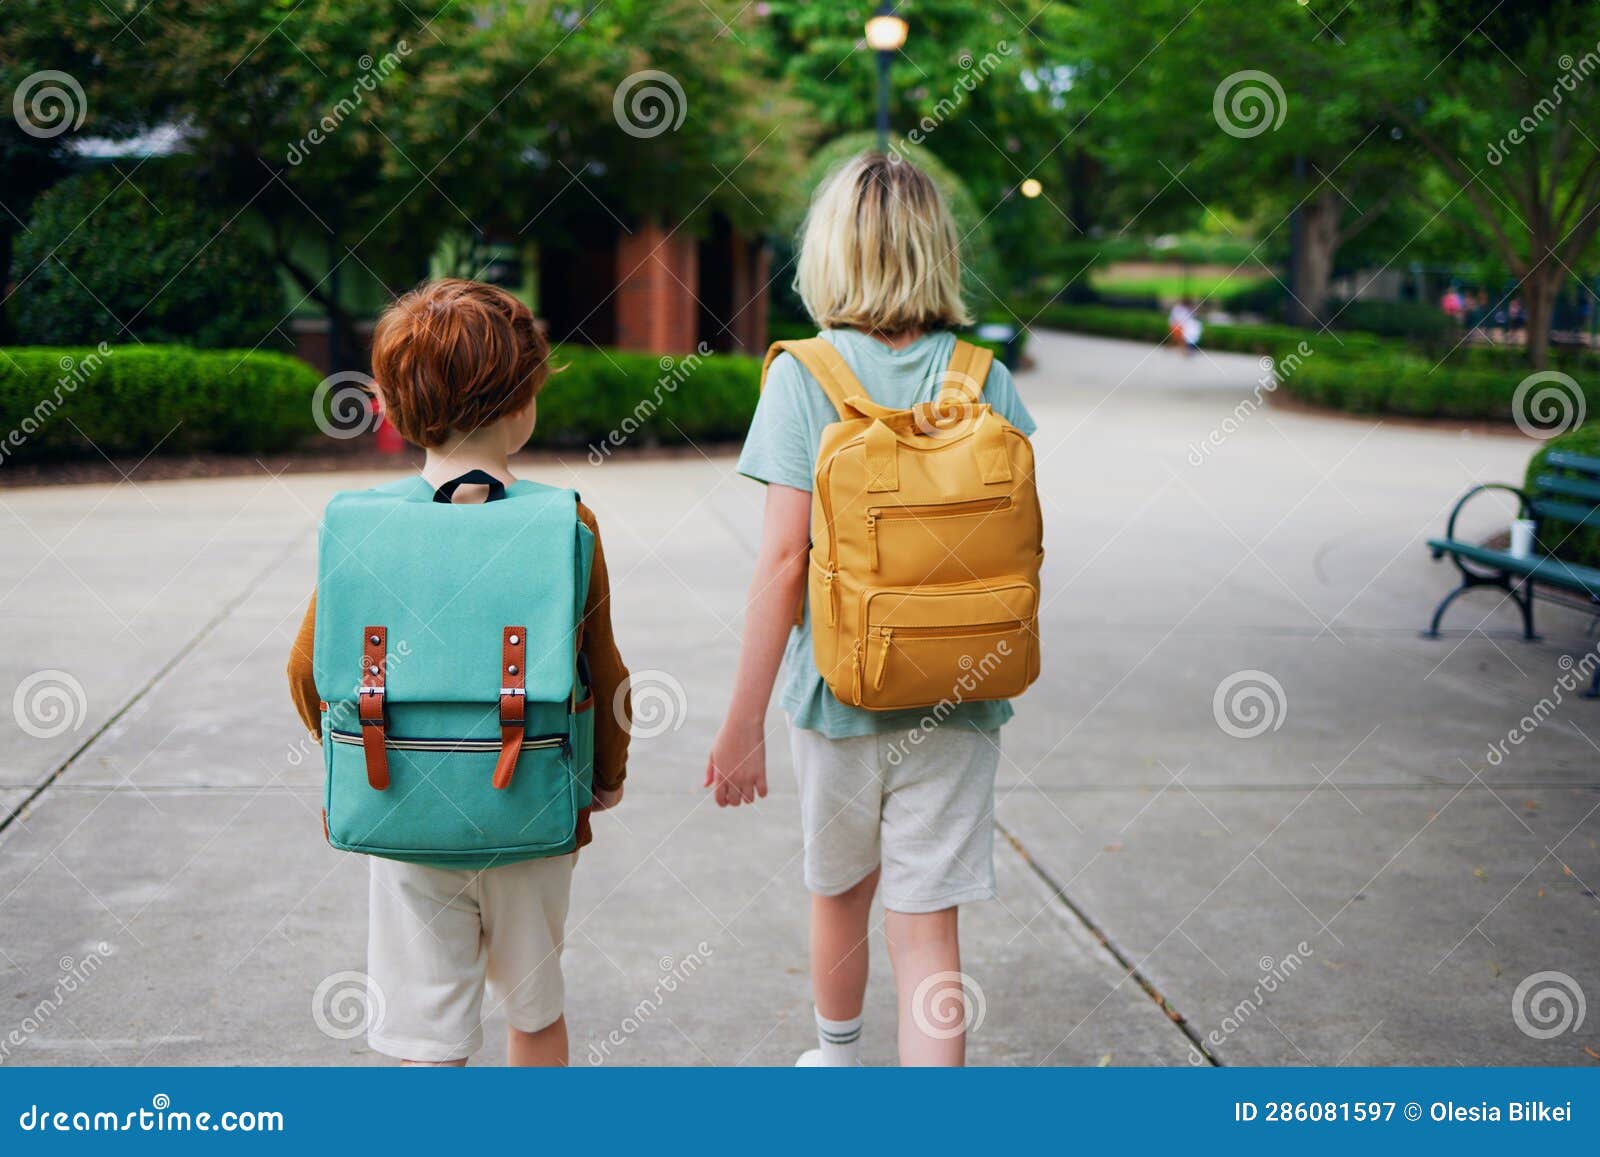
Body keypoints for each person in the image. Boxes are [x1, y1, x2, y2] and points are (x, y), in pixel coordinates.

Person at [706, 152, 1036, 1067]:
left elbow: (784, 562)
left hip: (838, 695)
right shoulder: (984, 376)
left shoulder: (802, 376)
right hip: (962, 694)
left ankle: (840, 1063)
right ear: (938, 250)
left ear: (829, 253)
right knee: (928, 930)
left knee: (840, 892)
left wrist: (742, 722)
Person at [285, 279, 631, 1066]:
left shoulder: (365, 526)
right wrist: (606, 776)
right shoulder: (565, 521)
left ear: (394, 409)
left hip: (400, 805)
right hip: (532, 809)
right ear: (523, 405)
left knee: (424, 1036)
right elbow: (607, 674)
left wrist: (355, 745)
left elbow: (306, 669)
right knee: (535, 1014)